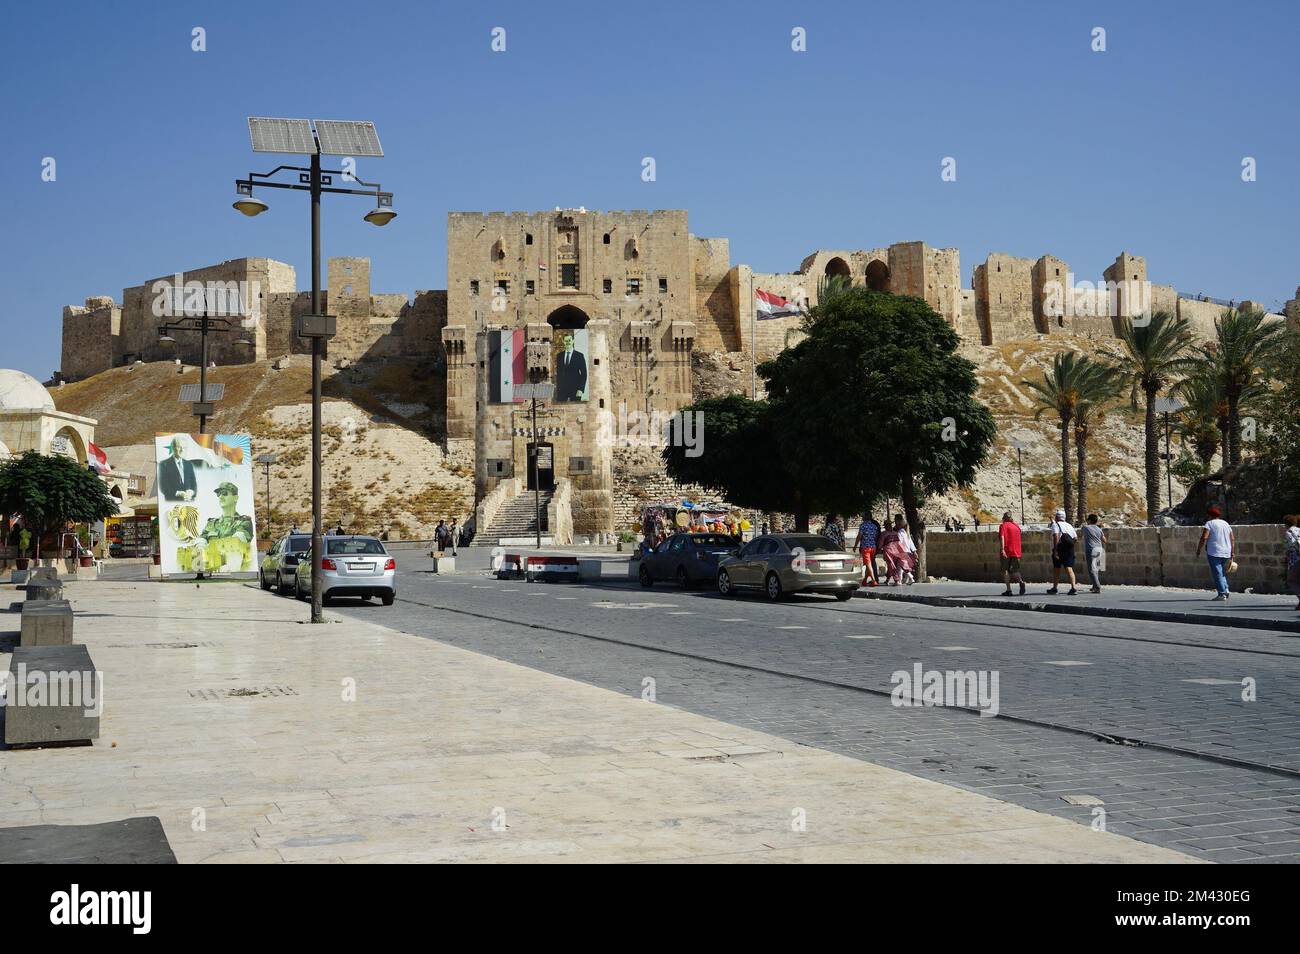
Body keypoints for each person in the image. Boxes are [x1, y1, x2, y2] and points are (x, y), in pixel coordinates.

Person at [1195, 505, 1235, 601]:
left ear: (1209, 515)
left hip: (1214, 552)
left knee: (1217, 573)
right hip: (1226, 551)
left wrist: (1199, 549)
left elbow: (1204, 537)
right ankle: (1225, 589)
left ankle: (1221, 594)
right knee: (1221, 572)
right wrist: (1232, 552)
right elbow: (1232, 538)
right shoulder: (1226, 523)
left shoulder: (1209, 523)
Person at [1046, 508, 1078, 595]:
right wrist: (1069, 545)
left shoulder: (1055, 525)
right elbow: (1075, 538)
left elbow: (1056, 536)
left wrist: (1056, 550)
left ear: (1057, 517)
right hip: (1069, 549)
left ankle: (1055, 588)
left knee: (1056, 568)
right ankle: (1073, 587)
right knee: (1069, 568)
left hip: (1059, 548)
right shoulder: (1069, 525)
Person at [159, 436, 198, 501]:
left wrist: (192, 492)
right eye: (179, 447)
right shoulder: (164, 464)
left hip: (189, 503)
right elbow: (163, 487)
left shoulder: (189, 464)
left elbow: (194, 484)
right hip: (173, 504)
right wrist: (178, 493)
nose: (182, 450)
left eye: (184, 448)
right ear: (173, 447)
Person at [554, 332, 588, 401]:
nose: (568, 342)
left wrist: (581, 389)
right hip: (562, 391)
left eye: (569, 340)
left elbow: (584, 374)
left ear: (573, 341)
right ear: (563, 342)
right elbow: (558, 373)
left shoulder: (579, 356)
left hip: (575, 390)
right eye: (566, 341)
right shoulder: (559, 356)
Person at [998, 511, 1025, 596]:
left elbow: (1002, 537)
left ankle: (1009, 590)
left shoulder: (1003, 526)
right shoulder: (1016, 526)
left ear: (1004, 518)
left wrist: (1002, 549)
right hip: (1016, 551)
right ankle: (1021, 581)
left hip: (1007, 551)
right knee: (1015, 570)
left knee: (1005, 570)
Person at [1081, 514, 1107, 593]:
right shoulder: (1099, 529)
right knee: (1096, 569)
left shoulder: (1085, 527)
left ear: (1089, 520)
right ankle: (1094, 586)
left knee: (1091, 570)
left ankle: (1098, 586)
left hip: (1091, 549)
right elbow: (1104, 540)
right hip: (1099, 549)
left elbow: (1080, 535)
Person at [857, 511, 882, 586]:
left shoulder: (863, 525)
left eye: (863, 516)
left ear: (866, 517)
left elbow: (859, 536)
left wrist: (855, 545)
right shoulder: (874, 526)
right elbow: (877, 536)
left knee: (868, 564)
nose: (862, 517)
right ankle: (865, 580)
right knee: (870, 563)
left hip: (865, 547)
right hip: (873, 547)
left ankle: (874, 580)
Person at [1283, 515, 1300, 611]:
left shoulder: (1289, 532)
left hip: (1295, 558)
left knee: (1291, 580)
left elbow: (1290, 546)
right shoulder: (1299, 530)